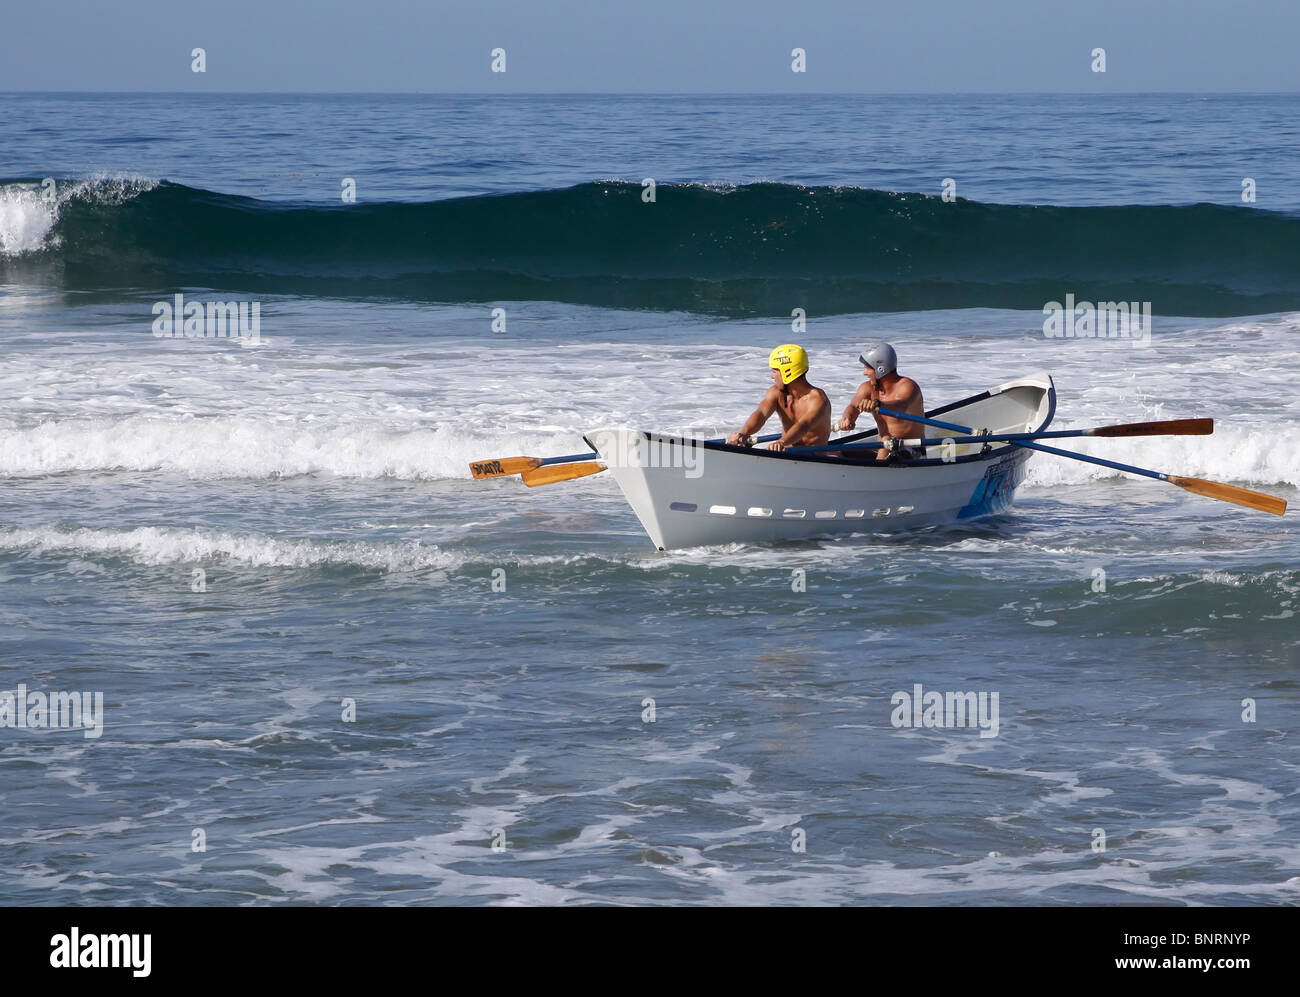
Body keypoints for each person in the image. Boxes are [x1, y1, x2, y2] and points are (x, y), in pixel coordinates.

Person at [726, 344, 831, 452]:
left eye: (774, 371)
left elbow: (804, 425)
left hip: (814, 456)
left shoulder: (817, 399)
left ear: (788, 372)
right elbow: (761, 414)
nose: (772, 376)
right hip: (788, 453)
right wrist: (743, 434)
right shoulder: (776, 393)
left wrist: (781, 442)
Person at [836, 342, 926, 460]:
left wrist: (878, 404)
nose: (864, 373)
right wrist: (847, 418)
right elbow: (853, 406)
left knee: (885, 442)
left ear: (880, 368)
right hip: (883, 447)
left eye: (867, 368)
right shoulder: (867, 388)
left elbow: (901, 406)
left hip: (911, 449)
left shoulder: (908, 386)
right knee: (836, 451)